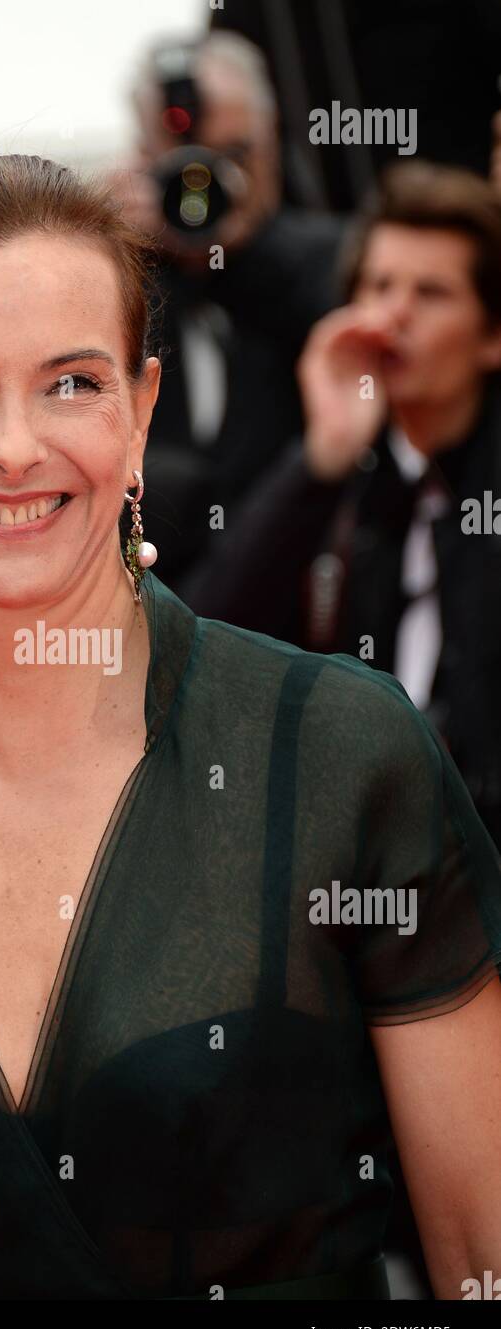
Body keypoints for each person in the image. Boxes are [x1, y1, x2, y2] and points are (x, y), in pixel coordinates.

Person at [0, 154, 501, 1301]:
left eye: (68, 383)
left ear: (140, 406)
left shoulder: (337, 753)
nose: (12, 445)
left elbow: (482, 1267)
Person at [183, 162, 501, 851]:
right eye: (378, 285)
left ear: (491, 336)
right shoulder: (343, 477)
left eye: (432, 293)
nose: (391, 315)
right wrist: (322, 455)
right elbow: (205, 641)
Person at [108, 30, 343, 592]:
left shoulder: (329, 259)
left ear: (272, 138)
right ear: (142, 157)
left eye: (232, 157)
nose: (205, 185)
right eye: (183, 163)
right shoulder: (124, 274)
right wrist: (101, 246)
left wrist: (238, 247)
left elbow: (315, 302)